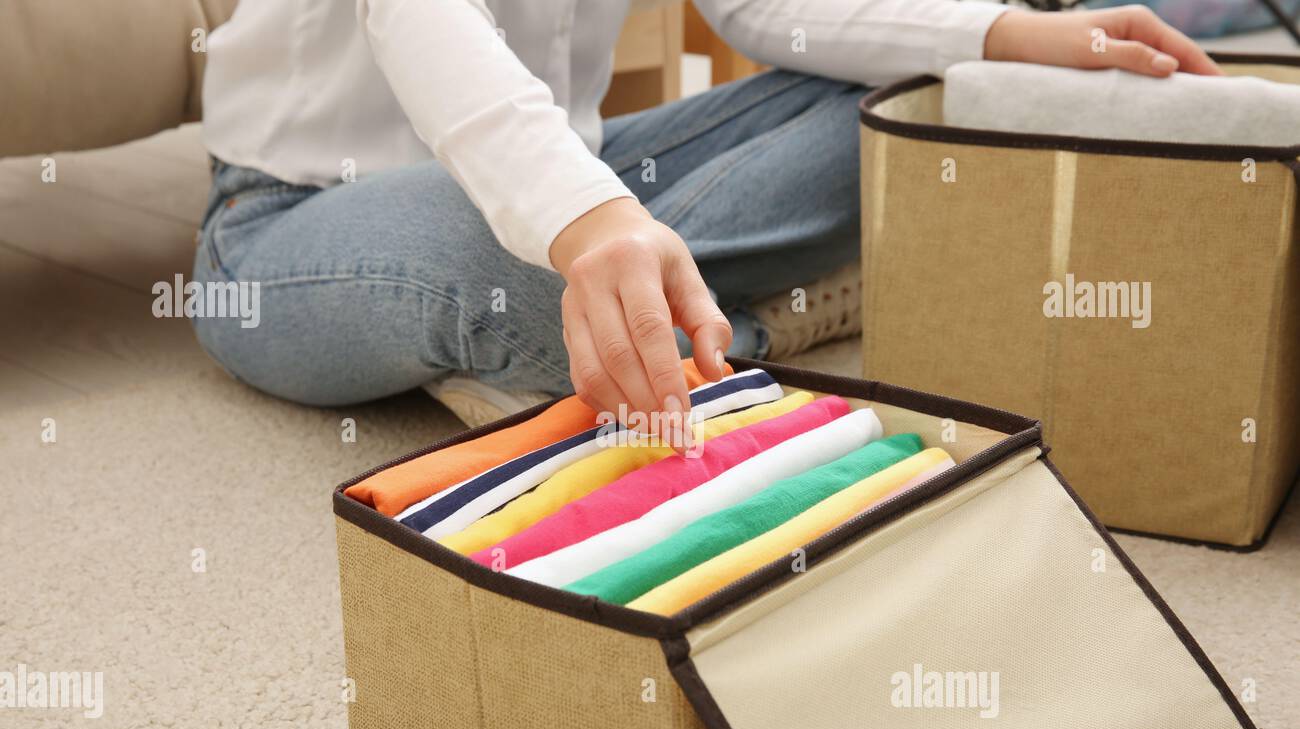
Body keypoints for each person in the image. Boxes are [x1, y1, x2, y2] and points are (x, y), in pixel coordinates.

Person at [193, 0, 1218, 441]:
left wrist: (1010, 35)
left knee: (903, 101)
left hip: (579, 171)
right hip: (290, 218)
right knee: (508, 246)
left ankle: (645, 297)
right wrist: (588, 227)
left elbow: (772, 11)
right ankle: (742, 318)